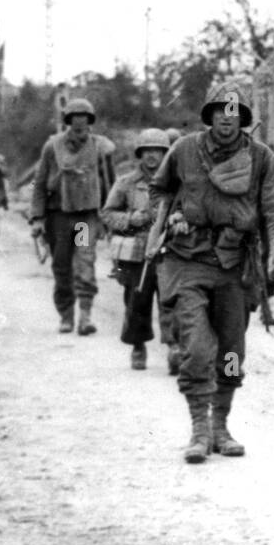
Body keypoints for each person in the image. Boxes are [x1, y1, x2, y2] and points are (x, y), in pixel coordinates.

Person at [149, 82, 274, 464]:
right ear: (210, 115)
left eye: (234, 113)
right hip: (187, 262)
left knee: (231, 351)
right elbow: (159, 191)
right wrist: (170, 219)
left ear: (243, 119)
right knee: (197, 348)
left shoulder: (262, 159)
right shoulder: (184, 151)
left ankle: (221, 426)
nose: (226, 120)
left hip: (234, 266)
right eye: (219, 112)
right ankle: (199, 428)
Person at [28, 99, 117, 335]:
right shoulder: (52, 147)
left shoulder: (100, 147)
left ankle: (85, 316)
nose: (80, 121)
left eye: (84, 117)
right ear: (68, 120)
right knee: (62, 268)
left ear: (90, 121)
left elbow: (111, 184)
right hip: (58, 218)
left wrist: (112, 216)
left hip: (83, 219)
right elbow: (39, 185)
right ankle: (66, 315)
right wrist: (37, 217)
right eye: (75, 117)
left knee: (84, 264)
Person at [101, 128, 178, 371]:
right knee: (137, 301)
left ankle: (174, 348)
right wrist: (132, 219)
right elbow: (107, 214)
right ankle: (138, 346)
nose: (153, 156)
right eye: (148, 151)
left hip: (168, 250)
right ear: (140, 154)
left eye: (158, 151)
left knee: (172, 301)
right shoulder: (126, 183)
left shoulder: (176, 182)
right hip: (136, 253)